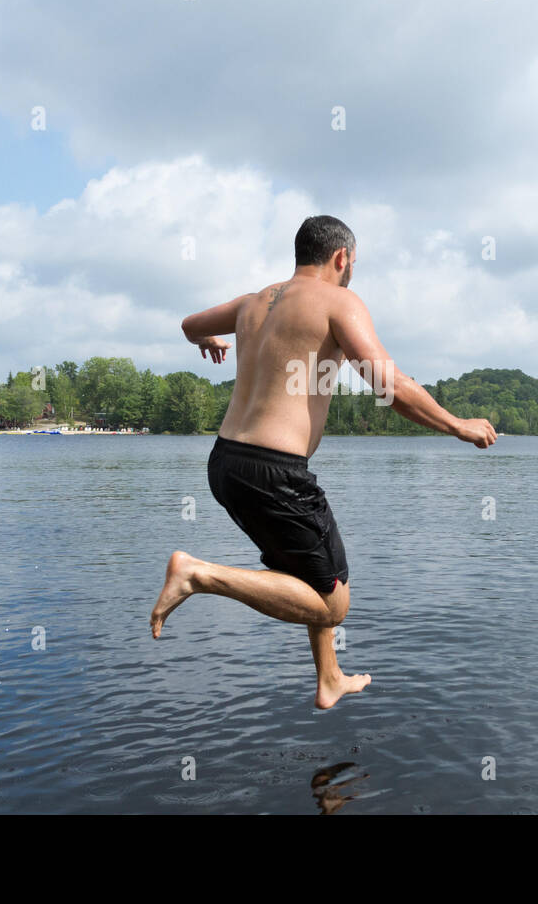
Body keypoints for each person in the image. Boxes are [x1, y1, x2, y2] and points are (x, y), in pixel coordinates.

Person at [150, 215, 496, 708]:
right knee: (333, 604)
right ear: (342, 257)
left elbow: (189, 326)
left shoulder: (253, 302)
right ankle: (198, 574)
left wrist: (207, 339)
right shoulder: (339, 302)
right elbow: (390, 385)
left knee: (310, 572)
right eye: (354, 263)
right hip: (274, 472)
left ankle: (329, 677)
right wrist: (457, 425)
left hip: (226, 464)